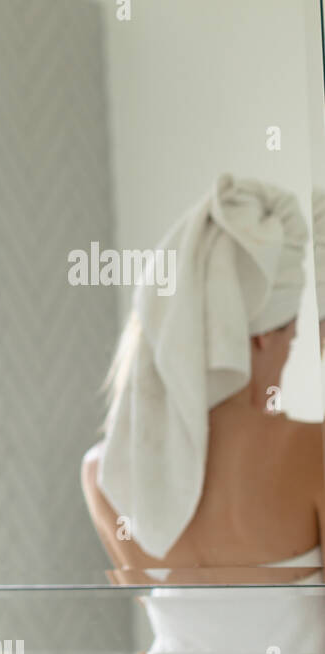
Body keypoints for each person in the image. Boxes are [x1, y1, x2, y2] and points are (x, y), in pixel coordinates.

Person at [81, 175, 324, 575]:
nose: (284, 368)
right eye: (291, 342)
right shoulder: (312, 451)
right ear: (263, 335)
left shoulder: (106, 474)